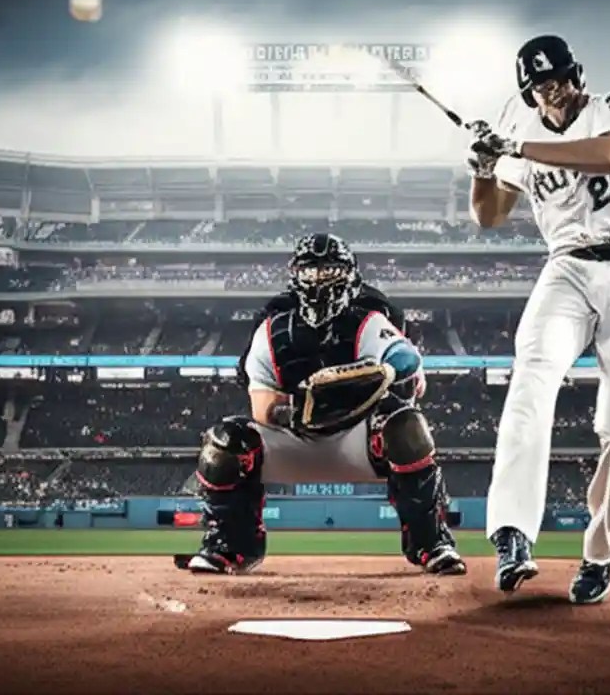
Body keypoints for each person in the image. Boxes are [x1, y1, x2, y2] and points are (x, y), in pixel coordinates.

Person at [466, 35, 610, 603]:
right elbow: (489, 216)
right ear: (529, 93)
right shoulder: (521, 131)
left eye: (559, 78)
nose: (553, 90)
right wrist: (484, 168)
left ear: (576, 75)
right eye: (540, 85)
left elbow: (606, 155)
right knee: (531, 378)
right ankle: (512, 534)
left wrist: (515, 146)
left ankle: (599, 554)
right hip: (568, 268)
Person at [184, 233, 466, 576]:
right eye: (311, 270)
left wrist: (375, 376)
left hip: (357, 439)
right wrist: (311, 406)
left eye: (329, 270)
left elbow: (405, 358)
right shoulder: (270, 331)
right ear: (296, 275)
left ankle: (431, 543)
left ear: (349, 274)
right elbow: (262, 409)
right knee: (222, 444)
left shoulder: (369, 321)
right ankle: (228, 547)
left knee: (407, 427)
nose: (319, 279)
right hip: (291, 440)